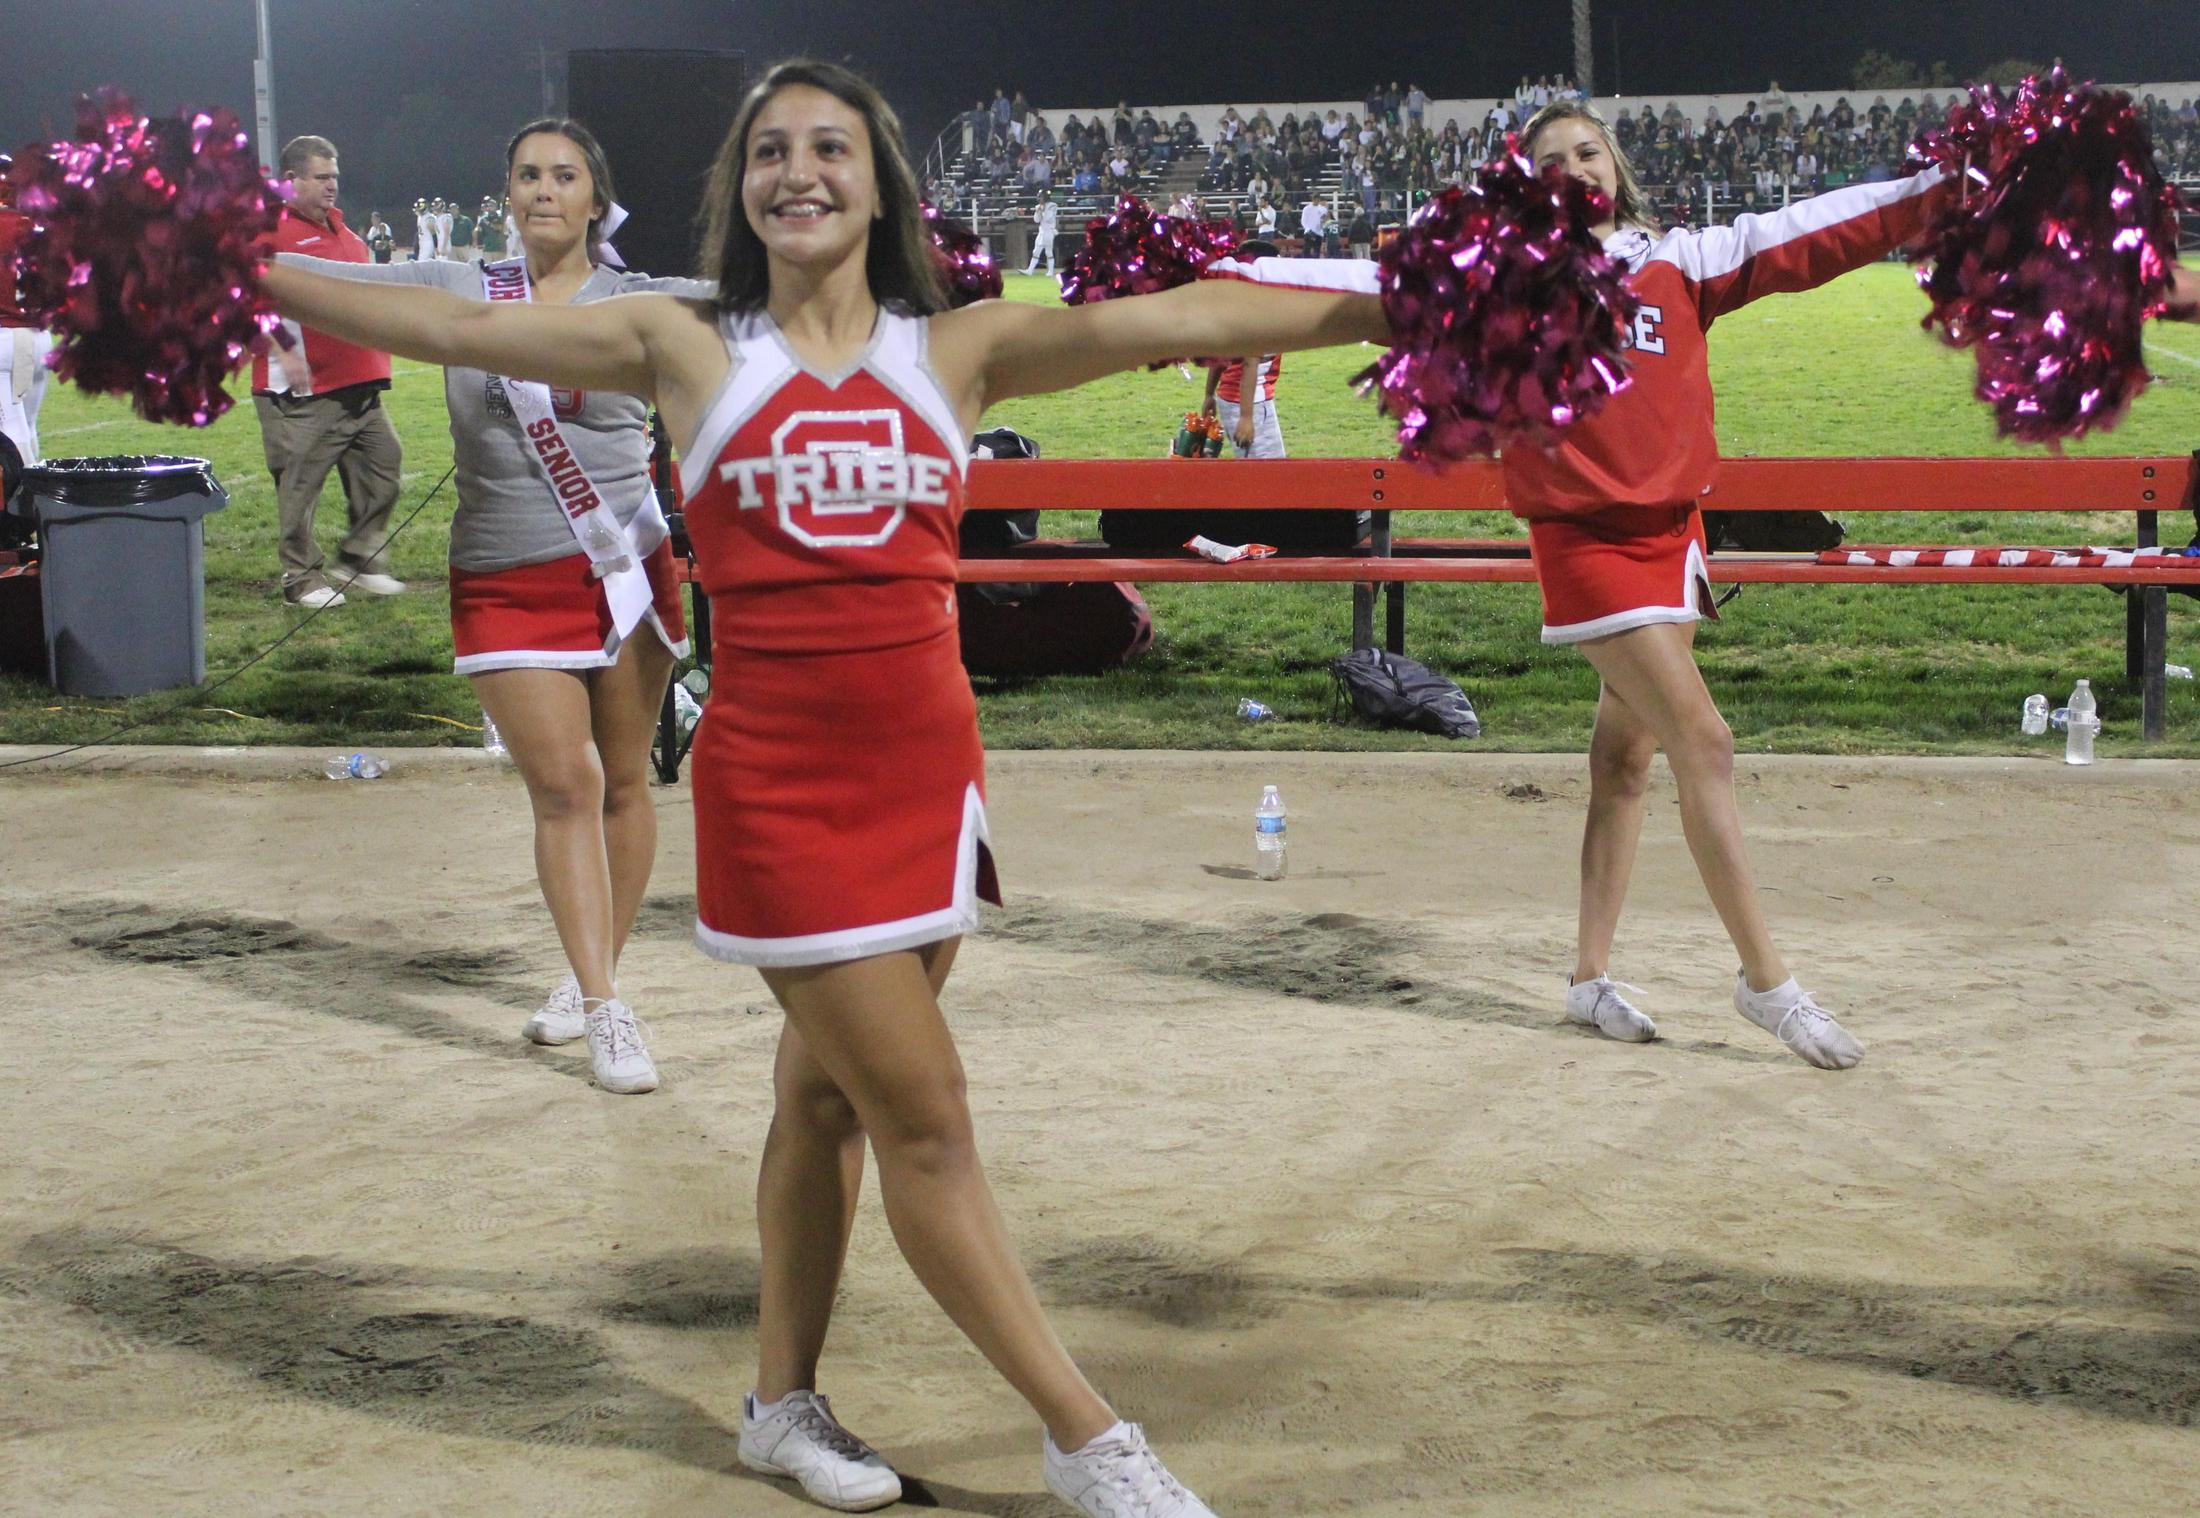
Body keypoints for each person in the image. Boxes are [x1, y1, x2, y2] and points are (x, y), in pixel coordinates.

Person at [265, 56, 1387, 1518]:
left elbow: (1183, 316)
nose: (801, 172)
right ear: (741, 189)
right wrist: (250, 269)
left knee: (828, 1102)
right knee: (925, 1118)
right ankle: (1085, 1433)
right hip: (781, 792)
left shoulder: (959, 348)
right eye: (771, 152)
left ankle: (778, 1405)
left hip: (930, 779)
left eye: (832, 149)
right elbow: (453, 320)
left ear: (881, 183)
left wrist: (1411, 303)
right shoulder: (682, 343)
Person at [1512, 98, 1968, 1069]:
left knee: (1623, 763)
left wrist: (1945, 188)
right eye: (1550, 161)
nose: (1575, 169)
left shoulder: (1679, 261)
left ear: (1614, 163)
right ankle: (1768, 986)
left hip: (1671, 542)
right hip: (1589, 549)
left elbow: (1817, 232)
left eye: (1587, 151)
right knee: (1704, 742)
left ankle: (1588, 978)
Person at [273, 119, 708, 1094]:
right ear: (505, 194)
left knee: (628, 787)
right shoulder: (460, 287)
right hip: (505, 575)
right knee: (565, 786)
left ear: (597, 199)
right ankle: (606, 1010)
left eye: (565, 176)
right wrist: (204, 252)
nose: (544, 190)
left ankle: (589, 969)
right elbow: (322, 284)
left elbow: (757, 308)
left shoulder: (641, 299)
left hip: (625, 569)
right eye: (526, 175)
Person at [253, 134, 404, 609]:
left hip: (360, 384)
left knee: (385, 467)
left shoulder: (348, 235)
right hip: (304, 390)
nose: (332, 186)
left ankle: (359, 556)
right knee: (301, 488)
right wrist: (284, 350)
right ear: (290, 180)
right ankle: (300, 578)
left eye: (335, 176)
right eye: (321, 177)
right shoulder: (268, 232)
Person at [1200, 241, 1287, 460]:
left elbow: (1220, 352)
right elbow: (1250, 363)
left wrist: (1209, 394)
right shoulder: (1259, 306)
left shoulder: (1238, 301)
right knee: (1268, 479)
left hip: (1231, 397)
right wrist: (1247, 417)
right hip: (1250, 401)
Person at [1024, 191, 1059, 276]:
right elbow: (1036, 220)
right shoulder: (1038, 206)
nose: (1039, 199)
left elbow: (1047, 218)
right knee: (1036, 251)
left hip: (1049, 231)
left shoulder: (1052, 205)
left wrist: (1042, 210)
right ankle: (1030, 270)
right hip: (1042, 231)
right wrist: (1038, 211)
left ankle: (1050, 271)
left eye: (1041, 197)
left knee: (1048, 251)